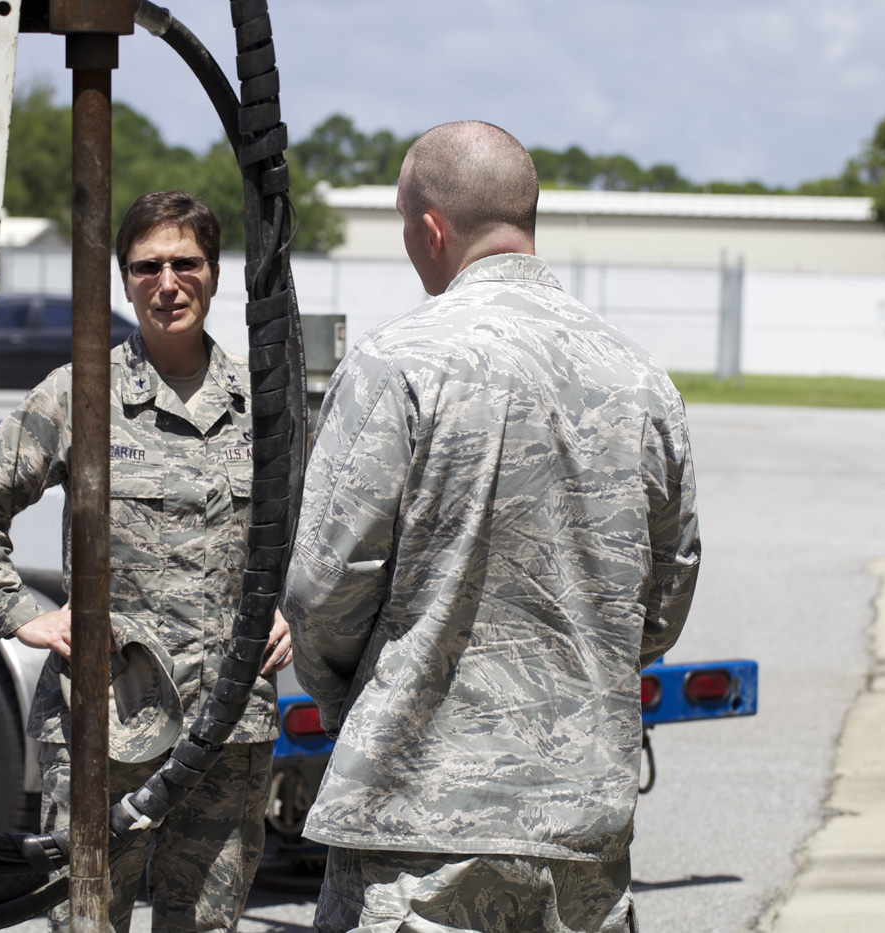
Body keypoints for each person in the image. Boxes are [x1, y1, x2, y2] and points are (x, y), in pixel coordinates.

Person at [280, 122, 700, 933]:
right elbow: (668, 585)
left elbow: (325, 585)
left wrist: (350, 703)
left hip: (419, 824)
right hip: (581, 826)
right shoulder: (643, 380)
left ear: (430, 227)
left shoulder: (398, 363)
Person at [0, 190, 293, 933]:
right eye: (148, 267)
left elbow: (314, 535)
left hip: (228, 728)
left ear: (214, 273)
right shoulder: (81, 393)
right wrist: (21, 614)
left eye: (186, 262)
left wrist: (293, 611)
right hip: (105, 724)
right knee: (88, 922)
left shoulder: (262, 403)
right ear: (123, 279)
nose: (168, 283)